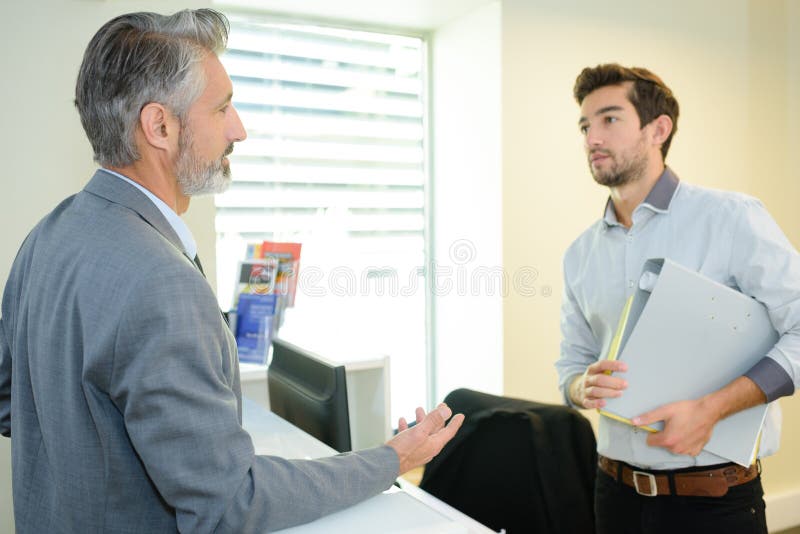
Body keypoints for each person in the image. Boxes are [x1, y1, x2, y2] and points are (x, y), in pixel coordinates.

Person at [0, 9, 463, 533]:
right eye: (222, 108)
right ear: (160, 126)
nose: (238, 129)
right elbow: (229, 505)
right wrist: (390, 459)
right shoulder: (162, 281)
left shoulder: (47, 234)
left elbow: (11, 403)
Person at [556, 63, 800, 534]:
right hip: (614, 496)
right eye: (585, 125)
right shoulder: (579, 255)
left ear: (658, 129)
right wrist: (578, 387)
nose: (592, 138)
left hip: (715, 499)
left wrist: (712, 409)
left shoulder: (731, 219)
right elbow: (571, 363)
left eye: (609, 119)